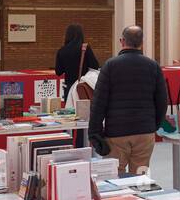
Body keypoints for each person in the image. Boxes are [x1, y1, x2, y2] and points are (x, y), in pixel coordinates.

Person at [89, 25, 169, 177]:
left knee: (114, 177)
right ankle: (140, 198)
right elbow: (162, 101)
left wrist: (94, 132)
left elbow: (99, 102)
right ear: (141, 43)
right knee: (140, 176)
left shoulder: (110, 66)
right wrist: (153, 125)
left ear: (122, 41)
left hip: (116, 133)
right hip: (145, 132)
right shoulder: (153, 66)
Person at [55, 23, 100, 101]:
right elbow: (95, 66)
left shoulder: (62, 51)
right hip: (83, 87)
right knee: (84, 110)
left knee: (70, 111)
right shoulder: (85, 48)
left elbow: (58, 72)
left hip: (69, 88)